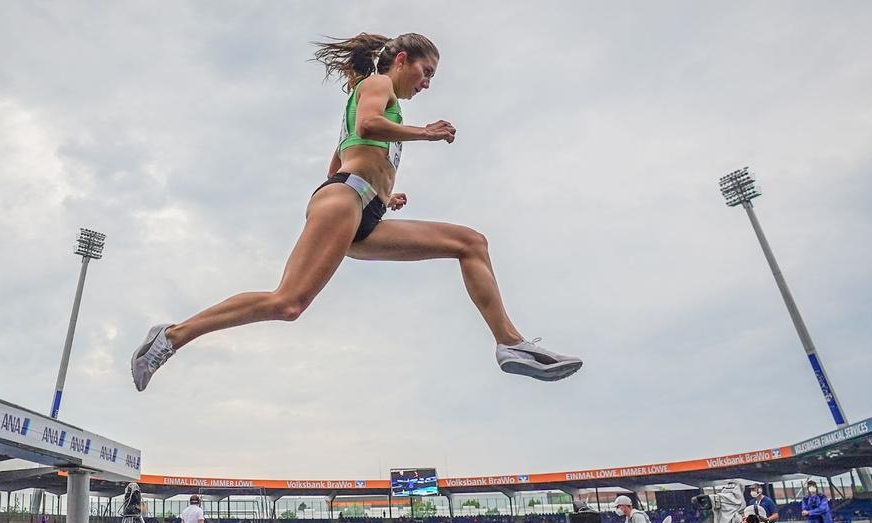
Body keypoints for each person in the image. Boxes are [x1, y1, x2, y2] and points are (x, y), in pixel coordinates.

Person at [130, 32, 582, 392]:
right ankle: (171, 336)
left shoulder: (386, 101)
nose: (428, 83)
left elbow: (344, 151)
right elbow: (366, 128)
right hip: (346, 201)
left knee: (470, 243)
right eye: (426, 72)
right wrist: (418, 137)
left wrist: (379, 194)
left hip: (359, 208)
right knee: (287, 302)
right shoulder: (378, 85)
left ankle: (510, 345)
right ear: (401, 59)